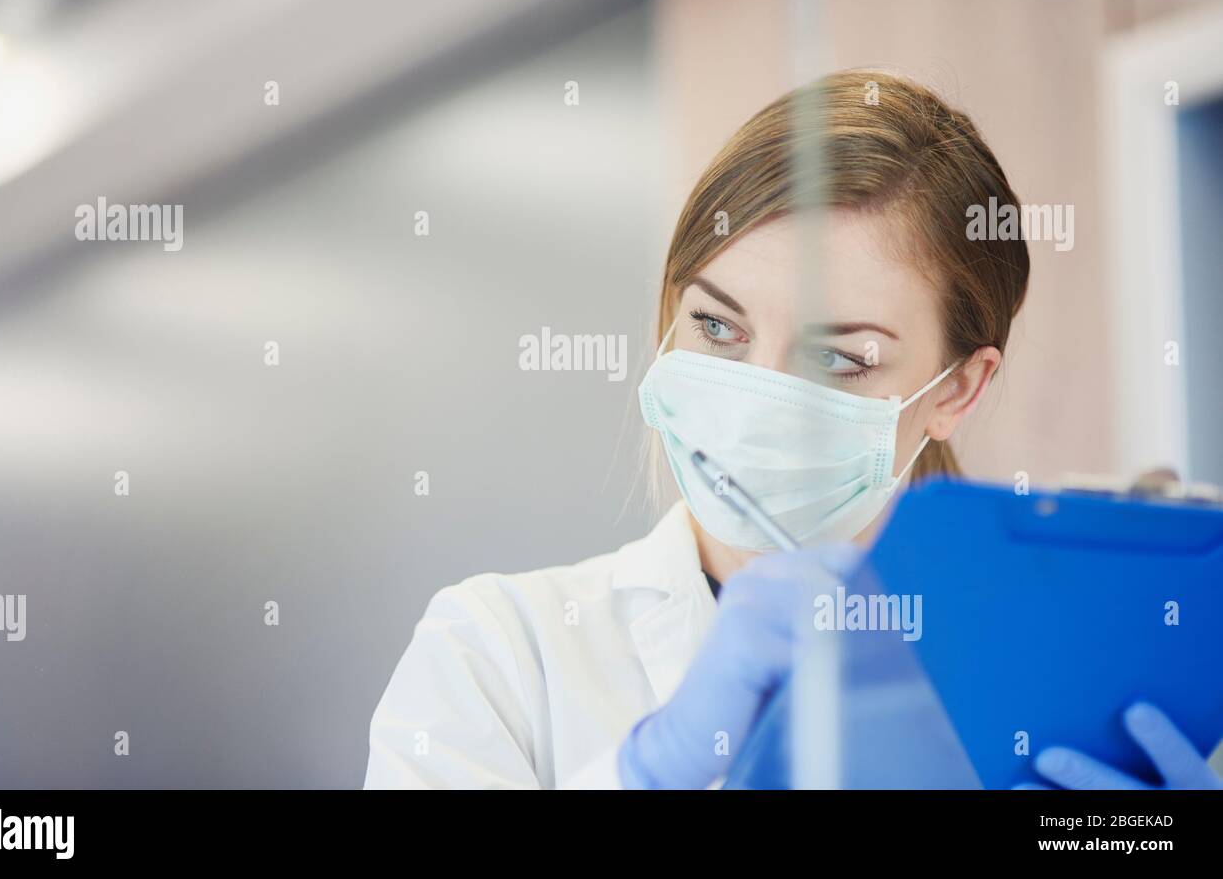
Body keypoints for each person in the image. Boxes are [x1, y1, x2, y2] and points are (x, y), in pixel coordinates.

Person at [363, 70, 1220, 790]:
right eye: (718, 327)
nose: (755, 392)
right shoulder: (498, 651)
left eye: (839, 359)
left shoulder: (1071, 689)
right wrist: (648, 771)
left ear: (957, 387)